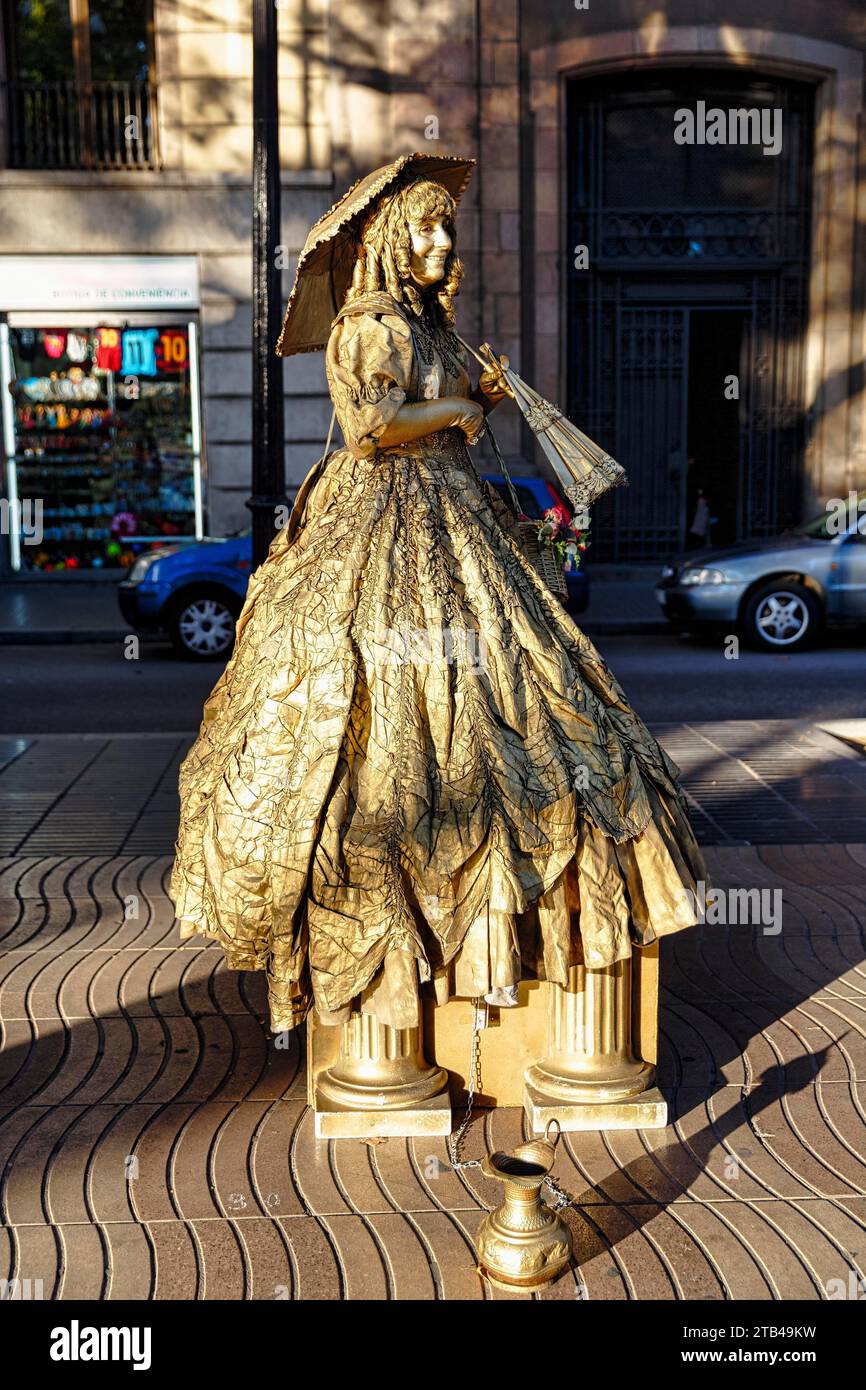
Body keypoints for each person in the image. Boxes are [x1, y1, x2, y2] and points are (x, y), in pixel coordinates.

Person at [169, 156, 706, 1038]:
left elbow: (439, 409)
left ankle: (517, 932)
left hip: (459, 515)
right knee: (384, 722)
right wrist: (458, 412)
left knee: (525, 697)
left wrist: (476, 395)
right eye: (424, 225)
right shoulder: (368, 327)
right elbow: (374, 428)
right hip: (388, 520)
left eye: (445, 225)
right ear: (385, 237)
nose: (442, 239)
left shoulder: (430, 328)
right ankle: (390, 956)